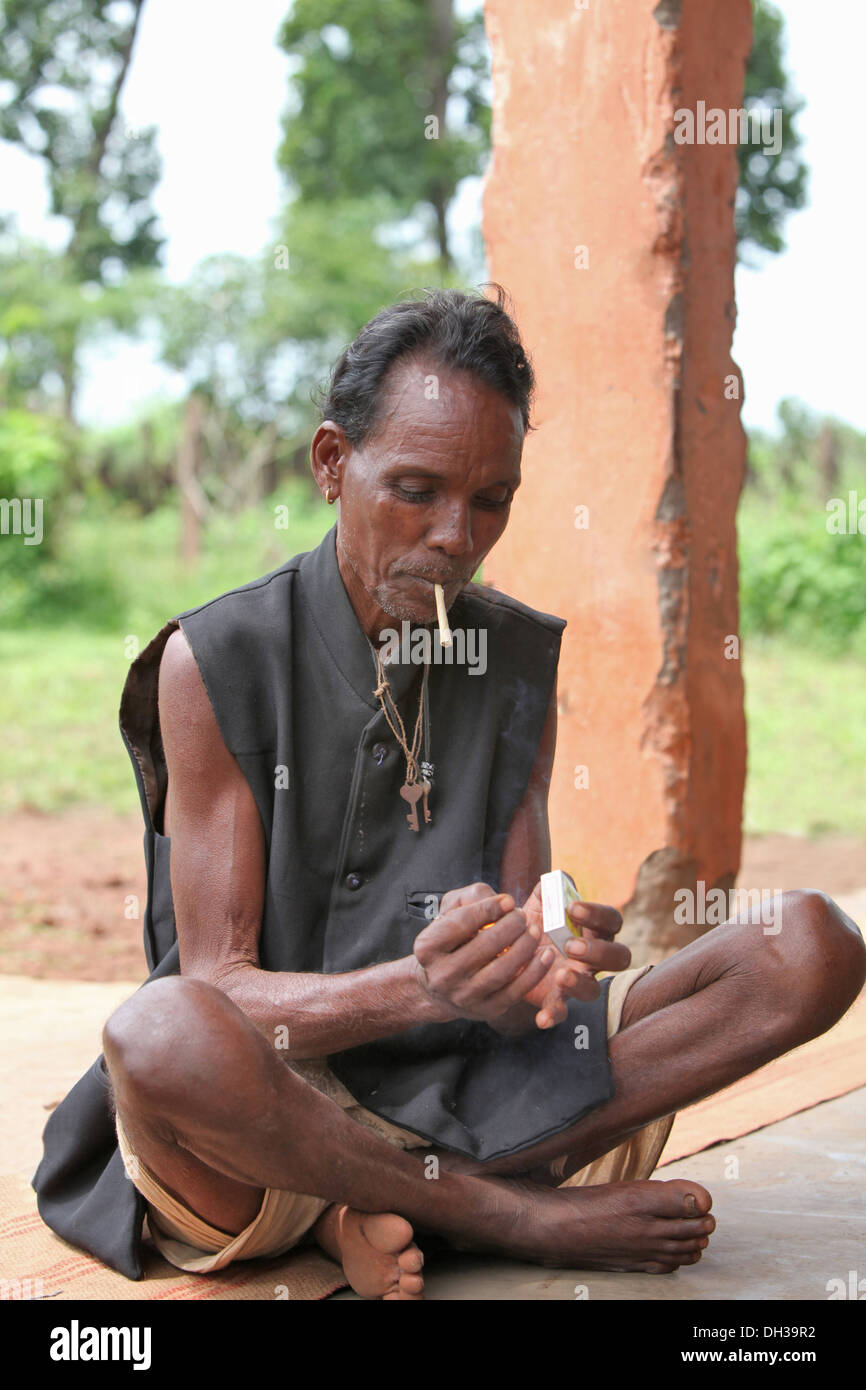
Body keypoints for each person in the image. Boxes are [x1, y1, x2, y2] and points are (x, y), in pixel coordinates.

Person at [34, 288, 866, 1300]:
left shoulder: (513, 650)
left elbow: (525, 947)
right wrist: (420, 987)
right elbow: (224, 993)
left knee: (808, 945)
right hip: (271, 1116)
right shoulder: (217, 658)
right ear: (332, 462)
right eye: (415, 489)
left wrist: (543, 955)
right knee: (160, 1033)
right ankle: (499, 1212)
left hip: (476, 1085)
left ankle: (375, 1207)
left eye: (489, 500)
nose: (452, 536)